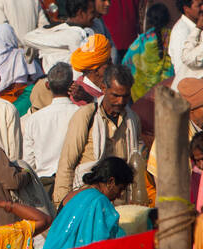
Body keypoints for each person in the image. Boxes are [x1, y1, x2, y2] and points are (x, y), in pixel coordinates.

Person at [52, 63, 140, 204]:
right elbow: (67, 163)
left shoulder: (133, 120)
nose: (121, 101)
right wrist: (62, 203)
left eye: (125, 96)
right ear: (104, 89)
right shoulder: (86, 116)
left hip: (122, 202)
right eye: (116, 95)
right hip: (87, 201)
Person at [41, 155, 133, 249]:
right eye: (120, 189)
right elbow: (105, 242)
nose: (119, 195)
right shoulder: (99, 202)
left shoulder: (72, 195)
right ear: (111, 182)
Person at [21, 63, 82, 179]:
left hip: (44, 182)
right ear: (71, 84)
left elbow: (28, 161)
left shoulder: (34, 119)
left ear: (48, 85)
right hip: (74, 181)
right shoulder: (80, 114)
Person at [124, 3, 175, 100]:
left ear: (149, 20)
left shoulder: (142, 40)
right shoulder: (173, 36)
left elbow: (127, 63)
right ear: (168, 18)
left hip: (143, 94)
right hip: (168, 91)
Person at [167, 0, 203, 83]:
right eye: (199, 5)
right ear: (186, 8)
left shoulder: (200, 25)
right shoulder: (181, 31)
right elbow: (181, 66)